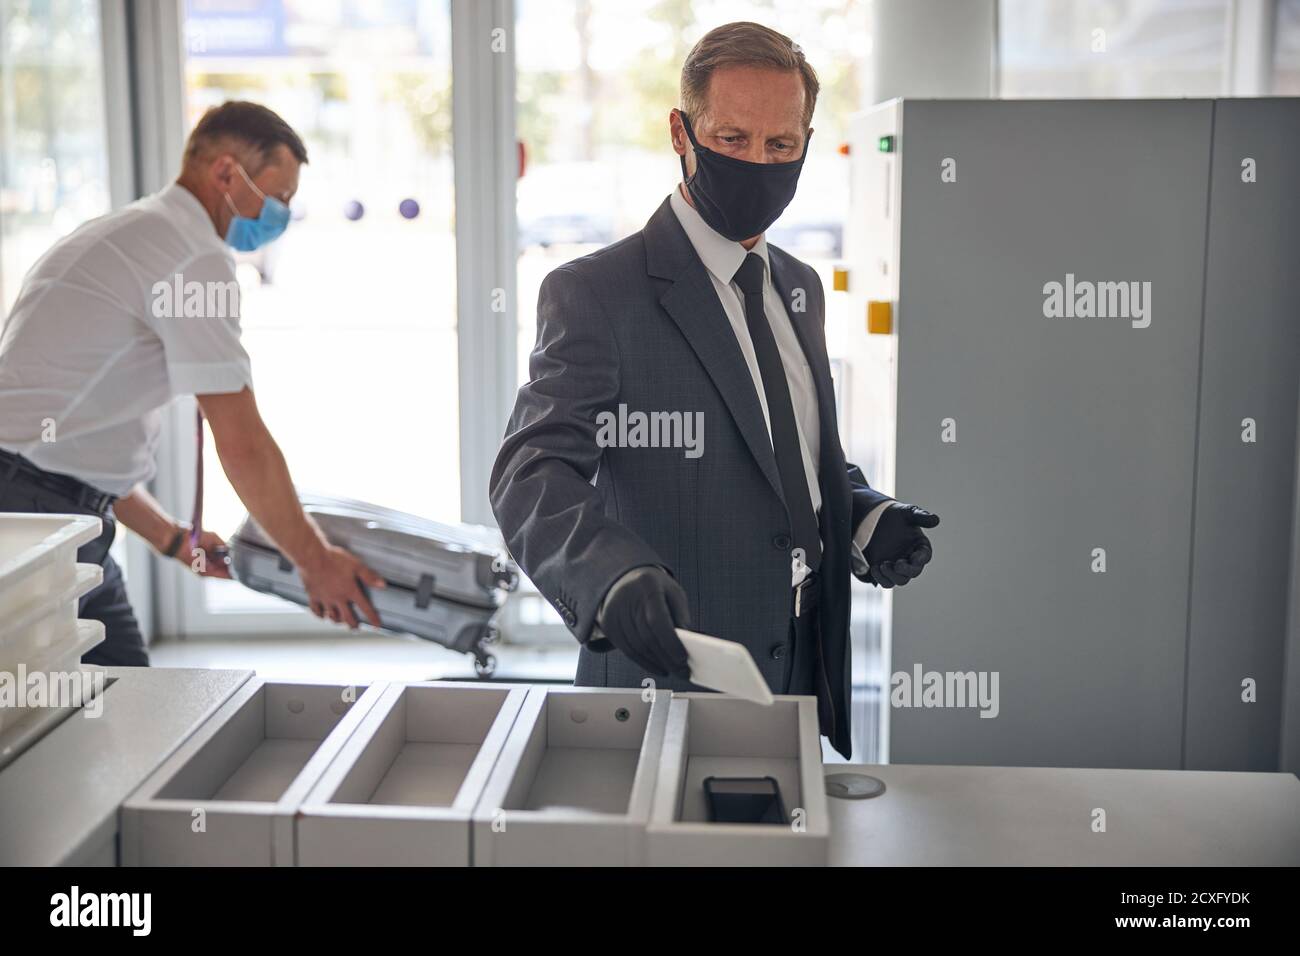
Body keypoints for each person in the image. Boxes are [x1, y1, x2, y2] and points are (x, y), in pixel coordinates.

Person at [491, 22, 939, 757]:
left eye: (780, 147)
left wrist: (858, 512)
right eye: (732, 140)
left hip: (795, 665)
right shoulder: (597, 293)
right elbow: (529, 473)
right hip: (663, 676)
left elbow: (783, 446)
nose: (757, 164)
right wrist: (607, 573)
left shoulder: (798, 286)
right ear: (681, 131)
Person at [0, 101, 384, 667]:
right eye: (277, 198)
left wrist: (173, 538)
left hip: (50, 511)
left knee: (115, 700)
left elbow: (69, 438)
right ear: (226, 173)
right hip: (33, 515)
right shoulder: (192, 258)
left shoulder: (131, 231)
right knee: (66, 717)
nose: (280, 214)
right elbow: (243, 441)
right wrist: (317, 563)